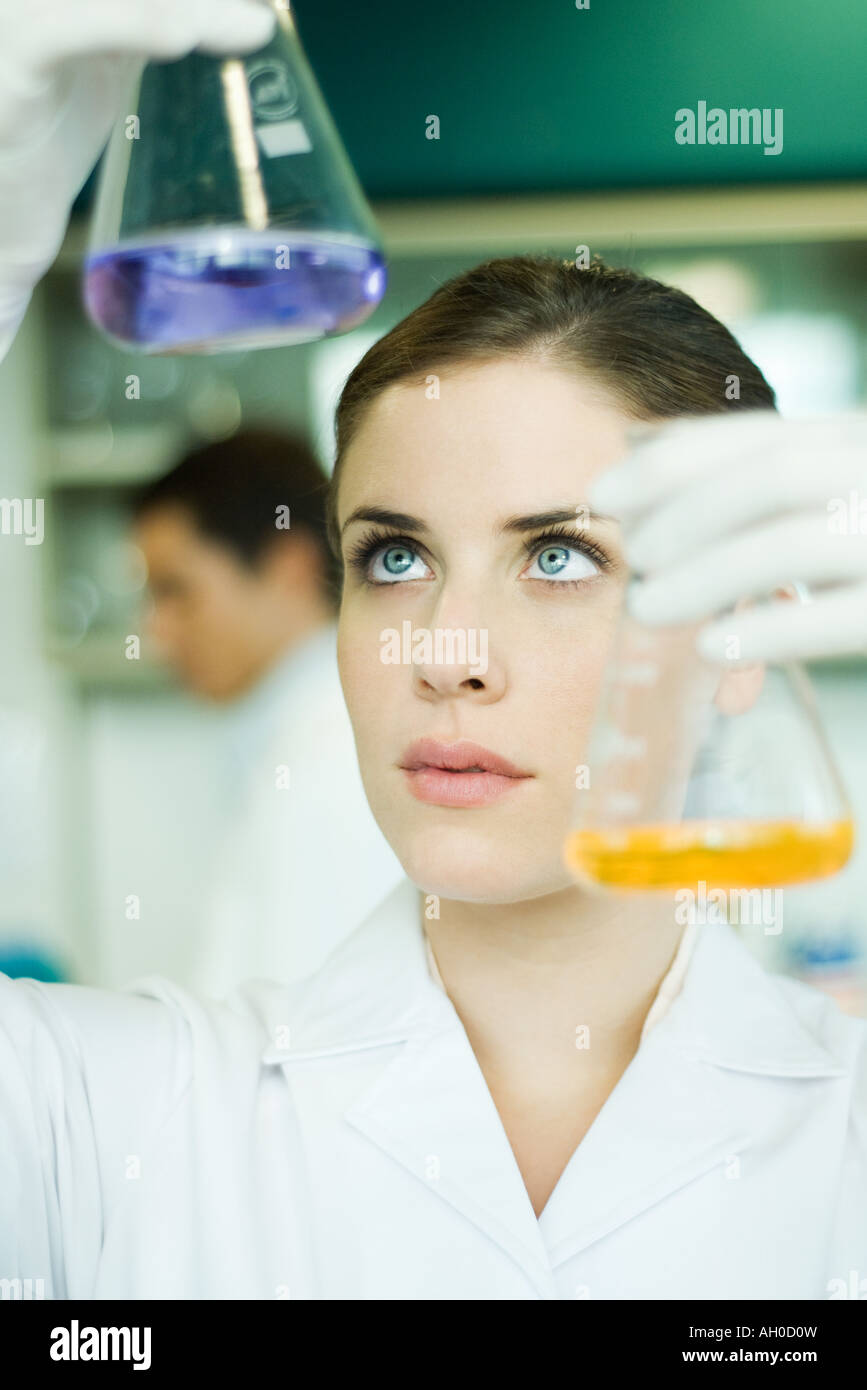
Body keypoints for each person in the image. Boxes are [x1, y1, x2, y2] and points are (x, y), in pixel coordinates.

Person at [1, 1, 866, 1300]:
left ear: (740, 625)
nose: (444, 652)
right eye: (393, 556)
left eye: (559, 554)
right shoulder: (115, 1115)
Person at [130, 428, 404, 994]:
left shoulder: (335, 763)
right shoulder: (293, 740)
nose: (154, 631)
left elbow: (305, 1042)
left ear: (288, 569)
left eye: (176, 591)